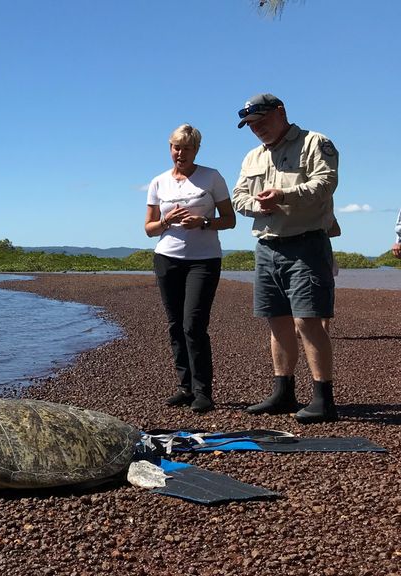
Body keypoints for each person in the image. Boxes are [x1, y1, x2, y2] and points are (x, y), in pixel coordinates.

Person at [231, 93, 339, 424]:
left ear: (281, 112)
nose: (257, 128)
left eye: (262, 121)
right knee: (277, 320)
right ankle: (283, 392)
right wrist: (257, 205)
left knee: (307, 320)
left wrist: (284, 195)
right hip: (267, 247)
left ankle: (323, 399)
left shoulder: (314, 143)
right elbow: (238, 197)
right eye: (251, 125)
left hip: (306, 243)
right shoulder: (252, 157)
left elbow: (326, 183)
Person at [145, 124, 236, 413]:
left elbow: (230, 219)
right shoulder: (159, 182)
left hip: (204, 259)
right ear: (170, 149)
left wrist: (203, 222)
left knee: (193, 325)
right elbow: (149, 229)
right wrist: (167, 221)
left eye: (186, 148)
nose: (179, 153)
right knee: (175, 326)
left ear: (196, 149)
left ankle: (203, 392)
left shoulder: (212, 177)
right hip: (167, 258)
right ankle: (184, 388)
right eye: (175, 147)